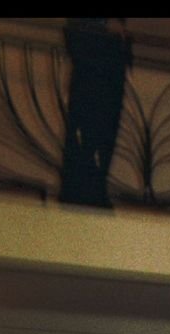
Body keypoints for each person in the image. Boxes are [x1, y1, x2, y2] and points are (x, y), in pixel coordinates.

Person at [60, 17, 130, 209]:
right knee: (92, 128)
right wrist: (105, 26)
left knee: (102, 130)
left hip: (105, 61)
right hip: (95, 62)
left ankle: (92, 184)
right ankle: (87, 186)